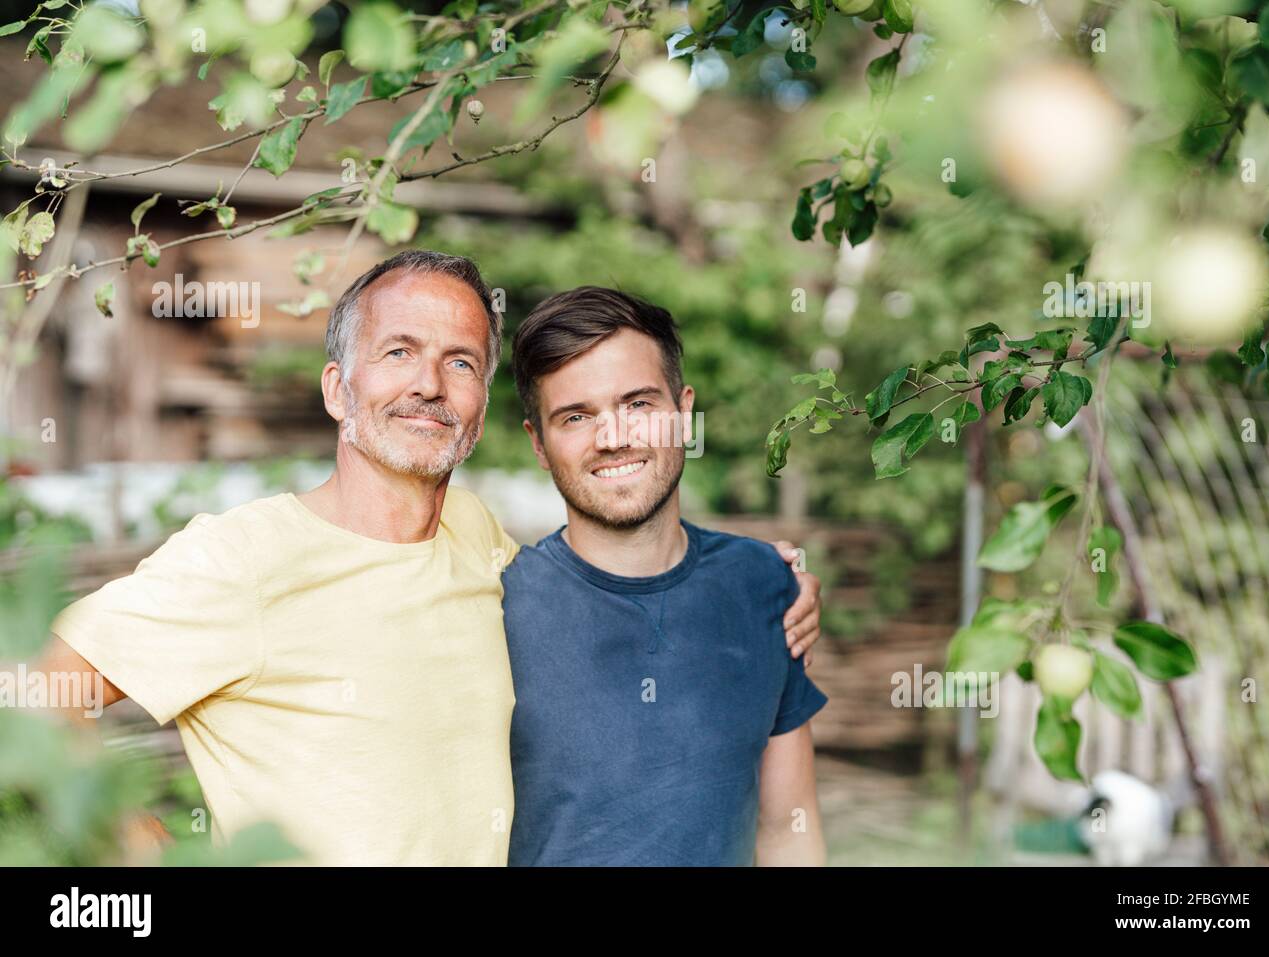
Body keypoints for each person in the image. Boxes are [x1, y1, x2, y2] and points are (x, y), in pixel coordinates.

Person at [23, 251, 822, 865]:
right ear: (338, 389)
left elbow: (617, 566)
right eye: (399, 352)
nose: (431, 385)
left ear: (481, 407)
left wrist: (759, 578)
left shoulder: (479, 542)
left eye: (461, 361)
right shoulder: (244, 559)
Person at [503, 287, 828, 866]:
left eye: (638, 404)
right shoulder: (496, 606)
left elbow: (787, 829)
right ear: (540, 445)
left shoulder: (764, 584)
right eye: (576, 417)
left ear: (683, 412)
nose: (614, 437)